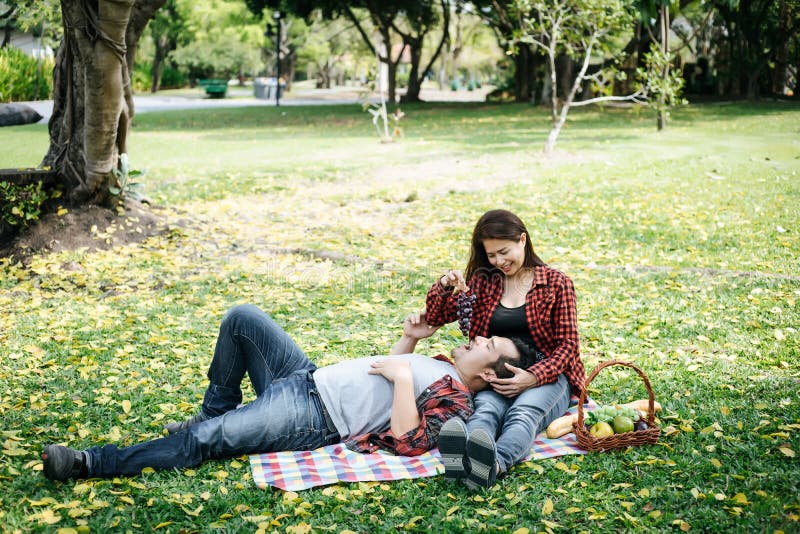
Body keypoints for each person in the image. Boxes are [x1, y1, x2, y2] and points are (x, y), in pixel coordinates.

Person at [41, 304, 537, 481]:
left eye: (487, 343)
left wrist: (406, 374)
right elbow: (382, 372)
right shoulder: (441, 363)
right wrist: (411, 343)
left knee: (205, 443)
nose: (476, 337)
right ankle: (210, 410)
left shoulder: (457, 398)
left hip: (312, 415)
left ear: (491, 375)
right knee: (243, 318)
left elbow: (408, 440)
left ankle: (89, 462)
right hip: (304, 375)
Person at [422, 209, 585, 490]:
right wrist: (445, 286)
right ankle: (464, 459)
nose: (498, 261)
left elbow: (568, 346)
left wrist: (532, 377)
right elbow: (436, 315)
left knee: (522, 413)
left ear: (523, 239)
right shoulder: (485, 281)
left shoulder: (556, 283)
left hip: (546, 374)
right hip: (495, 375)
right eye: (491, 255)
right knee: (485, 411)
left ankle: (494, 464)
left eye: (504, 251)